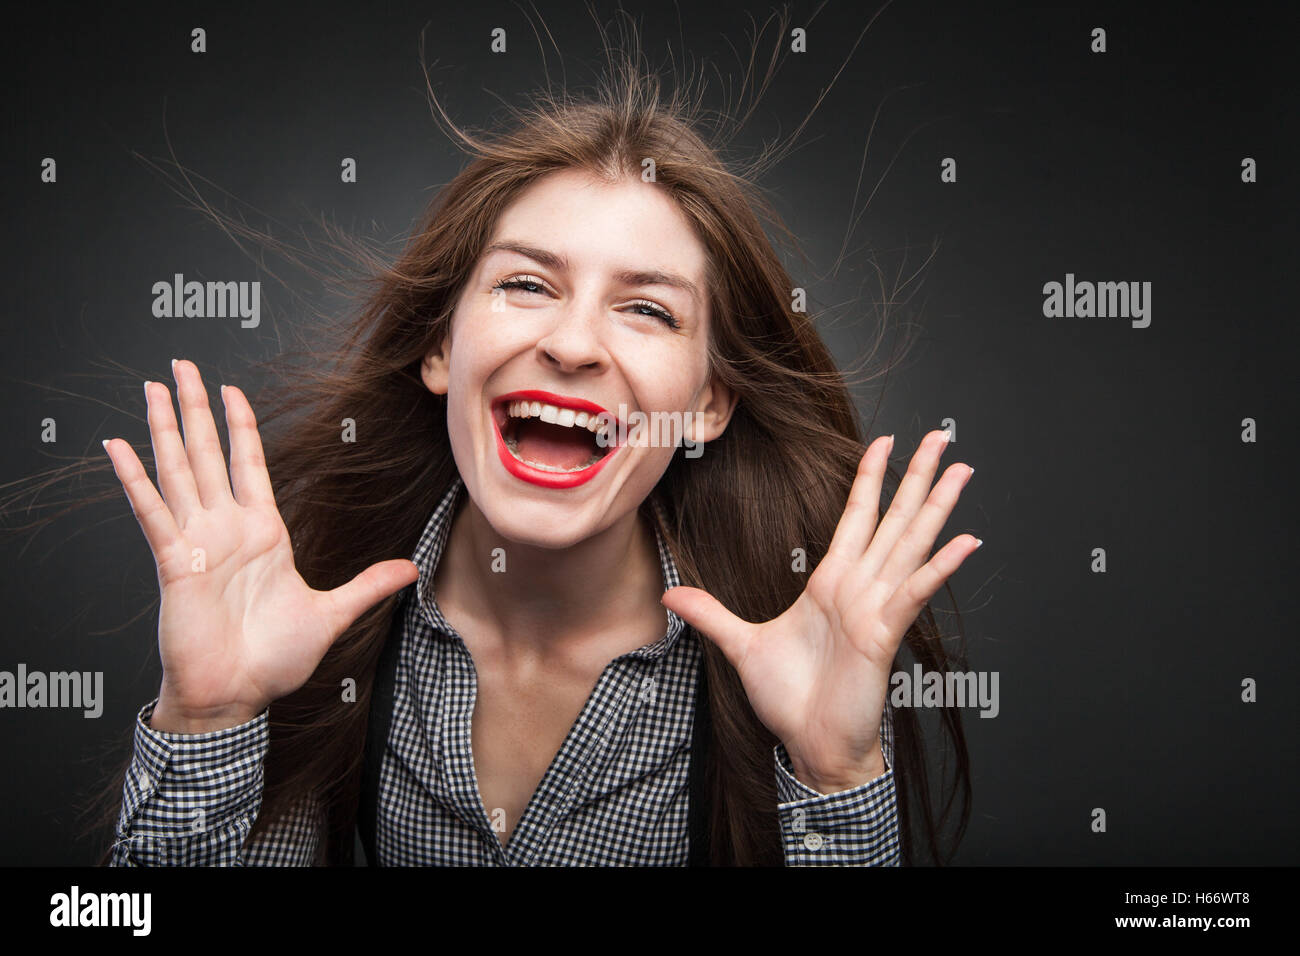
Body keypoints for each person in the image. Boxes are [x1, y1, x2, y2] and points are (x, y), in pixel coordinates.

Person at [100, 36, 976, 867]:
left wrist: (835, 780)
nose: (573, 342)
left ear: (708, 404)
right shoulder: (318, 635)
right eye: (526, 284)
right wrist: (206, 719)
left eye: (647, 308)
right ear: (440, 350)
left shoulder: (781, 676)